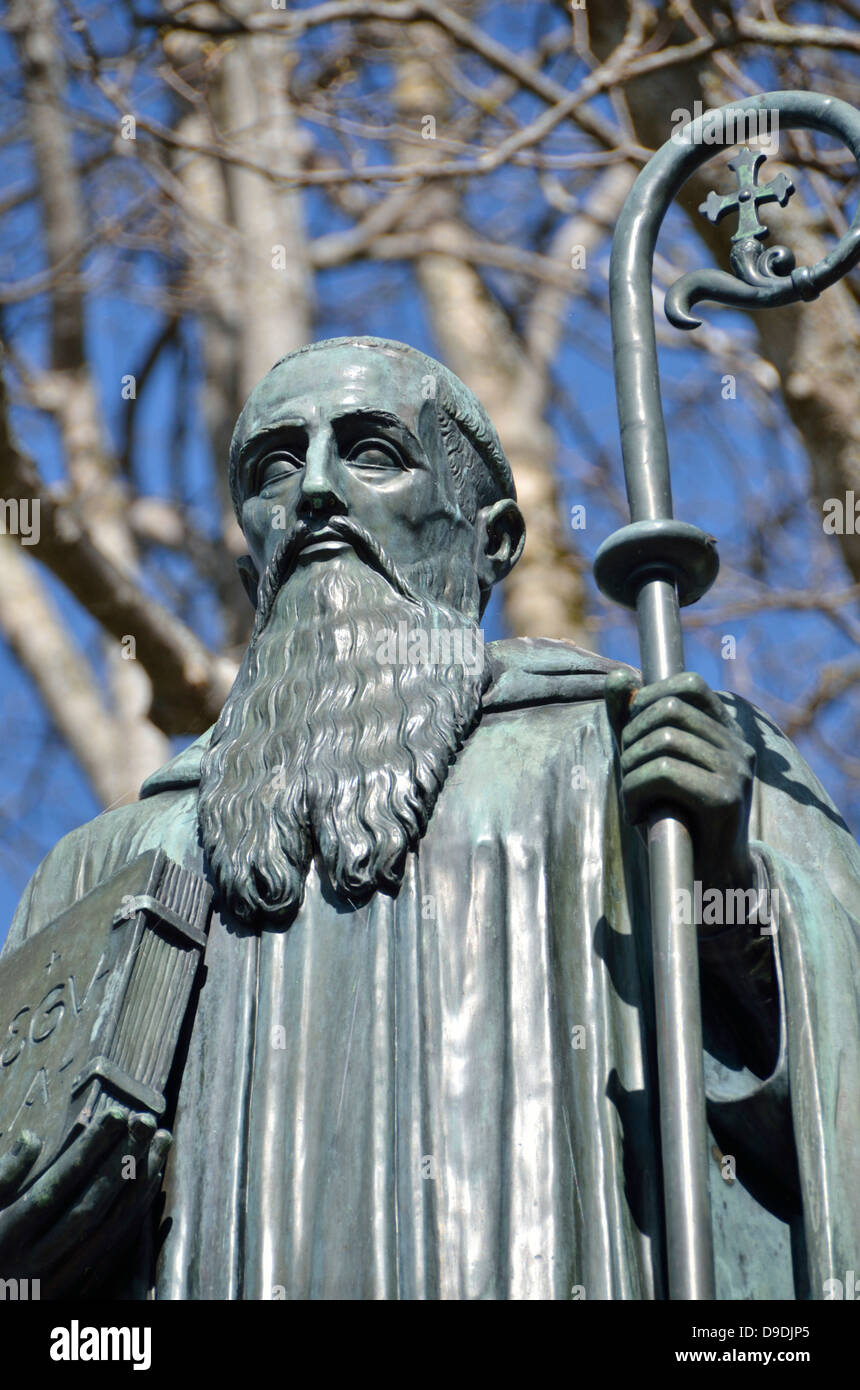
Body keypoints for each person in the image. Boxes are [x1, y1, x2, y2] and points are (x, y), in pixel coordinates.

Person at [1, 337, 857, 1299]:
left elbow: (839, 1080)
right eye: (276, 468)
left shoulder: (648, 753)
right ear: (251, 571)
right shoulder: (98, 871)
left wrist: (729, 891)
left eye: (371, 451)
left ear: (492, 541)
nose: (315, 491)